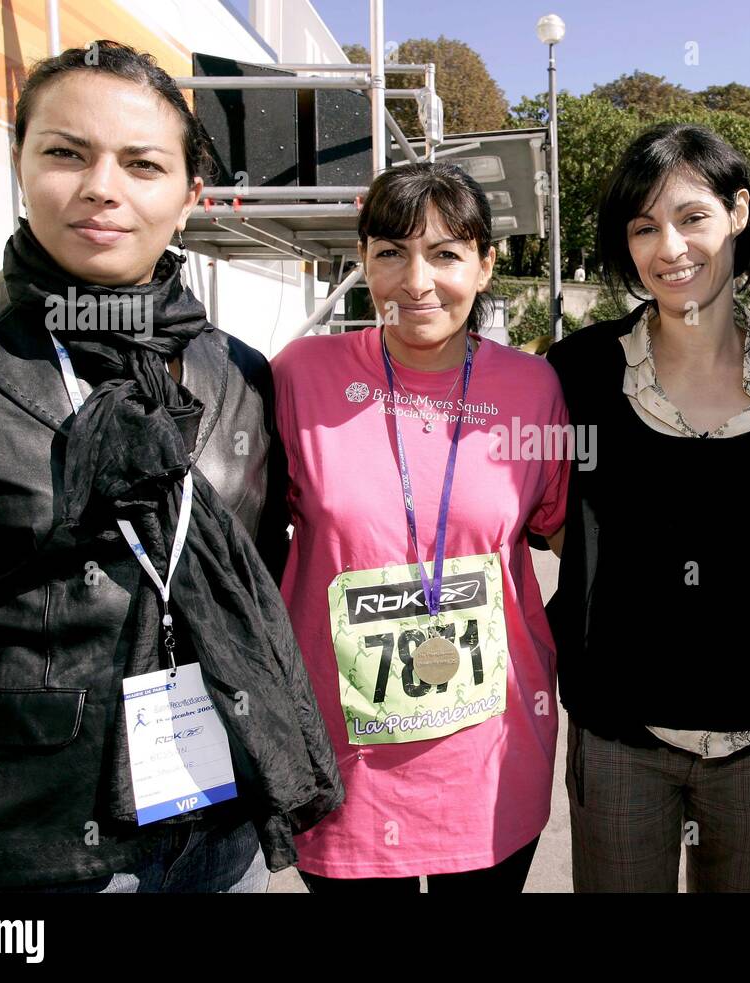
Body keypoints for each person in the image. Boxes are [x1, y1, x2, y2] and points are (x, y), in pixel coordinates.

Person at [0, 42, 342, 893]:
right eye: (66, 152)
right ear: (20, 163)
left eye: (142, 164)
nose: (103, 186)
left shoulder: (238, 374)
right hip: (26, 848)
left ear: (189, 198)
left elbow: (254, 572)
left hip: (218, 830)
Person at [545, 123, 750, 893]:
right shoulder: (578, 371)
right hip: (619, 736)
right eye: (644, 227)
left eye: (691, 217)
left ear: (737, 211)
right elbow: (536, 509)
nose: (669, 247)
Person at [271, 161, 569, 893]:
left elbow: (567, 532)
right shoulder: (301, 377)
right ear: (362, 258)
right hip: (347, 767)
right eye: (391, 252)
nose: (416, 281)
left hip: (491, 757)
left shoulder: (532, 389)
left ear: (486, 263)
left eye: (445, 253)